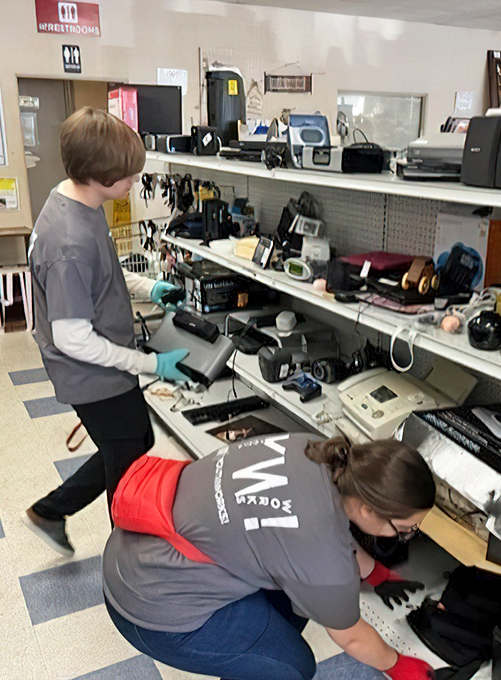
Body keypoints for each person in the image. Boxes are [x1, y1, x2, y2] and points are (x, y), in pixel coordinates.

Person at [103, 433, 437, 680]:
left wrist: (375, 575)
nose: (405, 535)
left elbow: (330, 532)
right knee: (291, 667)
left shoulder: (316, 450)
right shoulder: (321, 555)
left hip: (134, 552)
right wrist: (397, 665)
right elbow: (350, 634)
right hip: (151, 611)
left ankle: (247, 664)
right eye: (405, 528)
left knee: (293, 612)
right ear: (367, 507)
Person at [23, 107, 188, 557]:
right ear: (99, 175)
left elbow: (104, 277)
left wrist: (149, 286)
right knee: (128, 460)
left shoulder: (77, 200)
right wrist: (150, 363)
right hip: (90, 371)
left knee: (134, 442)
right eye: (129, 177)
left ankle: (51, 511)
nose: (135, 182)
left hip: (102, 363)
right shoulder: (68, 242)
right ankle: (129, 561)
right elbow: (72, 338)